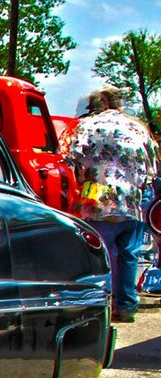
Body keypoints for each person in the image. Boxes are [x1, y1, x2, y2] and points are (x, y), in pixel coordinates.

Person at [67, 86, 160, 322]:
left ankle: (104, 305)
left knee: (103, 252)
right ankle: (126, 306)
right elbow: (152, 163)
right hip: (134, 198)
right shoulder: (138, 127)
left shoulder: (87, 126)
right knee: (130, 253)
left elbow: (73, 158)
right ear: (120, 104)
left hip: (98, 196)